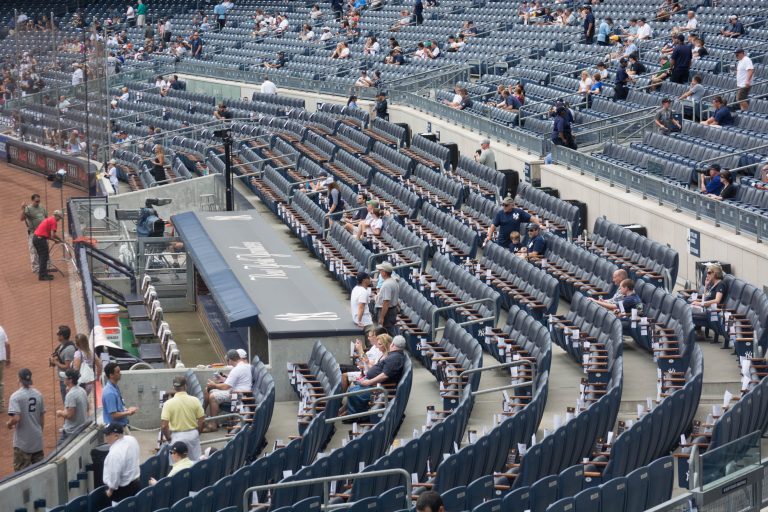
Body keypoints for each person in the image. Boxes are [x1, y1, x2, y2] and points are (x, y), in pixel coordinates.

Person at [344, 335, 407, 417]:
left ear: (390, 345)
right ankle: (349, 412)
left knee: (352, 391)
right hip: (371, 379)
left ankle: (356, 416)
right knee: (352, 388)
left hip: (377, 386)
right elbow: (371, 364)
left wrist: (368, 382)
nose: (377, 346)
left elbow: (384, 375)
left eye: (379, 344)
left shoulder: (393, 357)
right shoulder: (391, 355)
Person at [205, 349, 253, 430]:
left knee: (213, 397)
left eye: (227, 360)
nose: (228, 363)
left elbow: (225, 387)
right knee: (211, 392)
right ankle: (214, 421)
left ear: (230, 360)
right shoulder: (246, 366)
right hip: (245, 394)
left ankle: (213, 424)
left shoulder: (237, 369)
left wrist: (214, 385)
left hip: (238, 395)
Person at [7, 369, 45, 472]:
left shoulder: (15, 397)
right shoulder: (39, 395)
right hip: (37, 440)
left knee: (21, 475)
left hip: (22, 443)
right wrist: (39, 432)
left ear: (19, 379)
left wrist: (9, 424)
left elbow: (16, 418)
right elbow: (42, 419)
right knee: (39, 472)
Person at [161, 375, 205, 461]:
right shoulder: (195, 400)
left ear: (173, 387)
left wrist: (169, 438)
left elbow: (164, 426)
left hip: (176, 437)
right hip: (192, 435)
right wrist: (197, 433)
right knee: (195, 462)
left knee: (176, 465)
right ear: (185, 386)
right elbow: (202, 421)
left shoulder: (168, 404)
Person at [102, 423, 140, 502]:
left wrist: (110, 491)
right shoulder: (132, 439)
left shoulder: (114, 454)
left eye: (107, 434)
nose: (105, 436)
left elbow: (114, 476)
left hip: (121, 491)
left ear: (116, 436)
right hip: (136, 484)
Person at [691, 263, 727, 343]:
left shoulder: (721, 284)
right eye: (707, 272)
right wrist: (706, 286)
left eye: (709, 272)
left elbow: (717, 300)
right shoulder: (712, 284)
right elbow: (706, 298)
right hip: (705, 308)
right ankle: (696, 332)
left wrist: (701, 304)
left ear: (715, 273)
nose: (707, 274)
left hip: (711, 310)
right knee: (687, 307)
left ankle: (697, 332)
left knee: (689, 311)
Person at [55, 368, 88, 444]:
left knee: (59, 450)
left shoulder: (71, 395)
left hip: (71, 432)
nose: (64, 379)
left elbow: (69, 415)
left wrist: (60, 413)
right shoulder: (82, 390)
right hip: (81, 428)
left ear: (70, 380)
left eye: (65, 377)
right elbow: (87, 408)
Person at [102, 362, 139, 427]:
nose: (120, 373)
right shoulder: (109, 393)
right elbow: (114, 415)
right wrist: (128, 412)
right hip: (114, 428)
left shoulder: (115, 387)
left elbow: (118, 408)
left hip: (120, 425)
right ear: (111, 375)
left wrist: (127, 410)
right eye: (118, 372)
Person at [20, 193, 48, 274]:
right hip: (33, 233)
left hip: (43, 233)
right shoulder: (28, 209)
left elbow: (46, 218)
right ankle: (36, 268)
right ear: (32, 201)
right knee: (33, 251)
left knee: (44, 250)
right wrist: (23, 209)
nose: (38, 203)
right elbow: (22, 218)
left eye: (39, 201)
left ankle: (44, 266)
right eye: (36, 201)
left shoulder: (42, 207)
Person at [32, 210, 63, 281]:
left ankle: (44, 273)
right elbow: (53, 235)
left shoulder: (49, 219)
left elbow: (48, 235)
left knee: (43, 257)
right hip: (40, 239)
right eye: (59, 218)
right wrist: (60, 240)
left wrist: (55, 240)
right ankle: (42, 276)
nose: (59, 220)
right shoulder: (54, 221)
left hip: (36, 238)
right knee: (43, 257)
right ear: (56, 216)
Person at [47, 325, 75, 401]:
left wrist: (55, 362)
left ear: (62, 336)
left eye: (58, 334)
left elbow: (67, 367)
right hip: (63, 379)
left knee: (67, 401)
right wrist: (55, 359)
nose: (57, 336)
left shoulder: (69, 350)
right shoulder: (62, 345)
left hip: (67, 381)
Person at [374, 262, 399, 335]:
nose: (380, 272)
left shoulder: (387, 284)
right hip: (391, 310)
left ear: (384, 273)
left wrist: (382, 317)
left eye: (380, 271)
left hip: (387, 313)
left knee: (386, 333)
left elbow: (386, 302)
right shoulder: (393, 281)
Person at [73, 332, 101, 398]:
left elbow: (76, 370)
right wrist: (97, 377)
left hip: (80, 383)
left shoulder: (78, 354)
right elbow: (99, 365)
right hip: (90, 383)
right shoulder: (91, 353)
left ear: (77, 344)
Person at [0, 325, 9, 413]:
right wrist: (8, 359)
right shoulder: (1, 329)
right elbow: (7, 344)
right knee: (0, 383)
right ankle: (1, 406)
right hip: (1, 359)